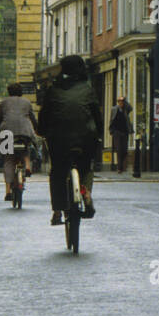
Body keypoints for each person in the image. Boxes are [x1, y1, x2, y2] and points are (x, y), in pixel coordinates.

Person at [37, 55, 102, 226]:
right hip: (85, 137)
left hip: (59, 139)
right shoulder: (87, 89)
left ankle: (57, 211)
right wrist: (99, 135)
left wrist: (42, 131)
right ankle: (86, 192)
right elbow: (97, 116)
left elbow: (44, 115)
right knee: (86, 167)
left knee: (58, 171)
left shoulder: (53, 90)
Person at [0, 82, 38, 202]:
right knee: (26, 149)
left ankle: (8, 191)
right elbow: (32, 118)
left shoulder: (4, 102)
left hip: (7, 132)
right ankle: (27, 165)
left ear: (9, 92)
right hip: (24, 131)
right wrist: (37, 129)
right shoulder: (27, 102)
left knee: (8, 159)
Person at [109, 96, 132, 173]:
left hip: (125, 132)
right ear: (118, 102)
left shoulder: (126, 109)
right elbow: (111, 119)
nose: (121, 103)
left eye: (122, 102)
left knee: (124, 150)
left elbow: (130, 108)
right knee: (119, 150)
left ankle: (121, 165)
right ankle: (119, 168)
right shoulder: (114, 109)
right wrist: (111, 130)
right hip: (117, 132)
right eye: (119, 101)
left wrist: (125, 100)